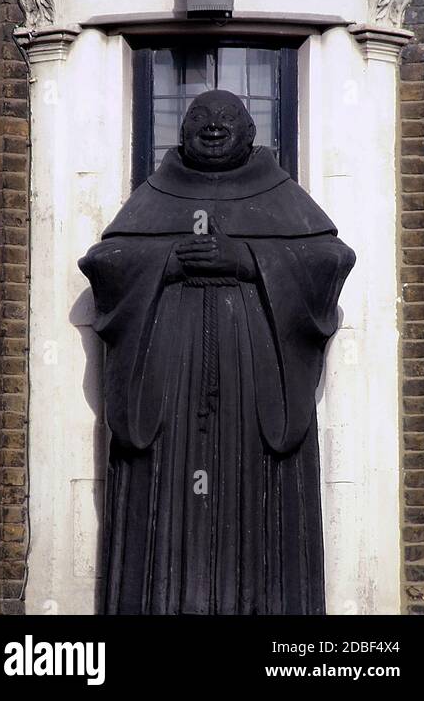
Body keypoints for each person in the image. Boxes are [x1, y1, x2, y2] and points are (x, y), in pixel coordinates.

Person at [79, 89, 355, 615]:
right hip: (170, 379)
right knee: (170, 487)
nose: (212, 126)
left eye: (227, 117)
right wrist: (166, 264)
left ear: (250, 134)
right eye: (200, 118)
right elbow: (106, 261)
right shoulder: (155, 193)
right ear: (182, 133)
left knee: (253, 495)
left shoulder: (280, 194)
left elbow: (328, 259)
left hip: (255, 380)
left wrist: (250, 260)